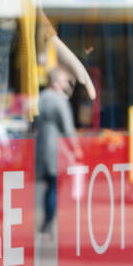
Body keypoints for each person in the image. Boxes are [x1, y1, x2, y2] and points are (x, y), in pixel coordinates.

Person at [34, 67, 79, 236]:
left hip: (40, 145)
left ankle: (46, 218)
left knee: (45, 185)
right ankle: (49, 220)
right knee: (54, 185)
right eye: (63, 81)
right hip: (56, 148)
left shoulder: (40, 98)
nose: (65, 85)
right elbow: (68, 128)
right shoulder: (59, 101)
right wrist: (76, 148)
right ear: (55, 82)